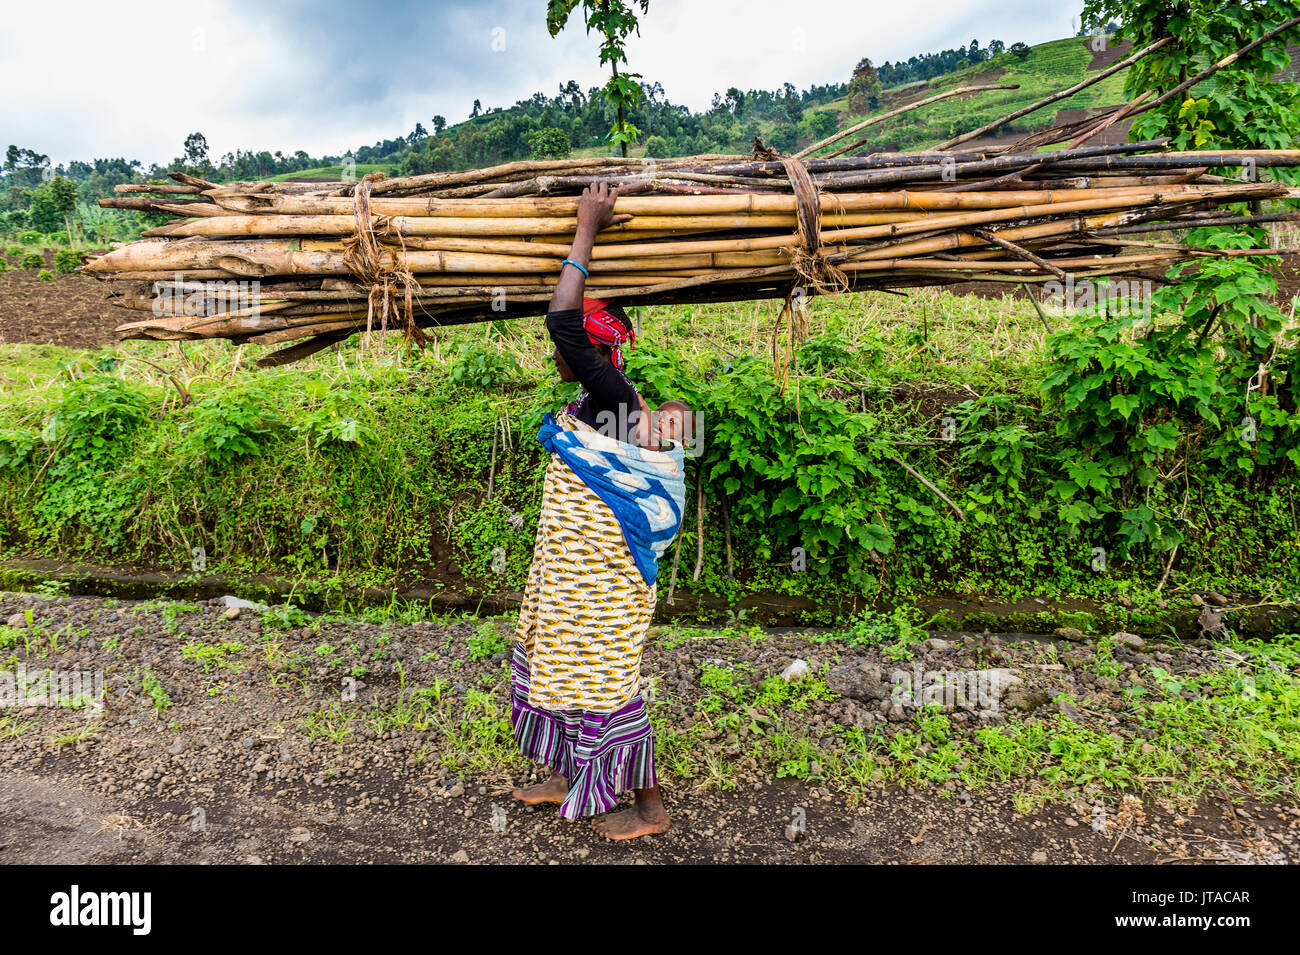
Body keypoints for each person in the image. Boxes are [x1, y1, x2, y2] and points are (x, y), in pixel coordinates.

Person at [510, 181, 688, 840]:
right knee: (559, 661)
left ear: (589, 354)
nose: (552, 355)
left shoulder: (614, 395)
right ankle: (570, 776)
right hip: (574, 572)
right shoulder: (598, 403)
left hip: (605, 578)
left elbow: (562, 321)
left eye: (563, 350)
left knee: (607, 681)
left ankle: (650, 807)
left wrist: (587, 226)